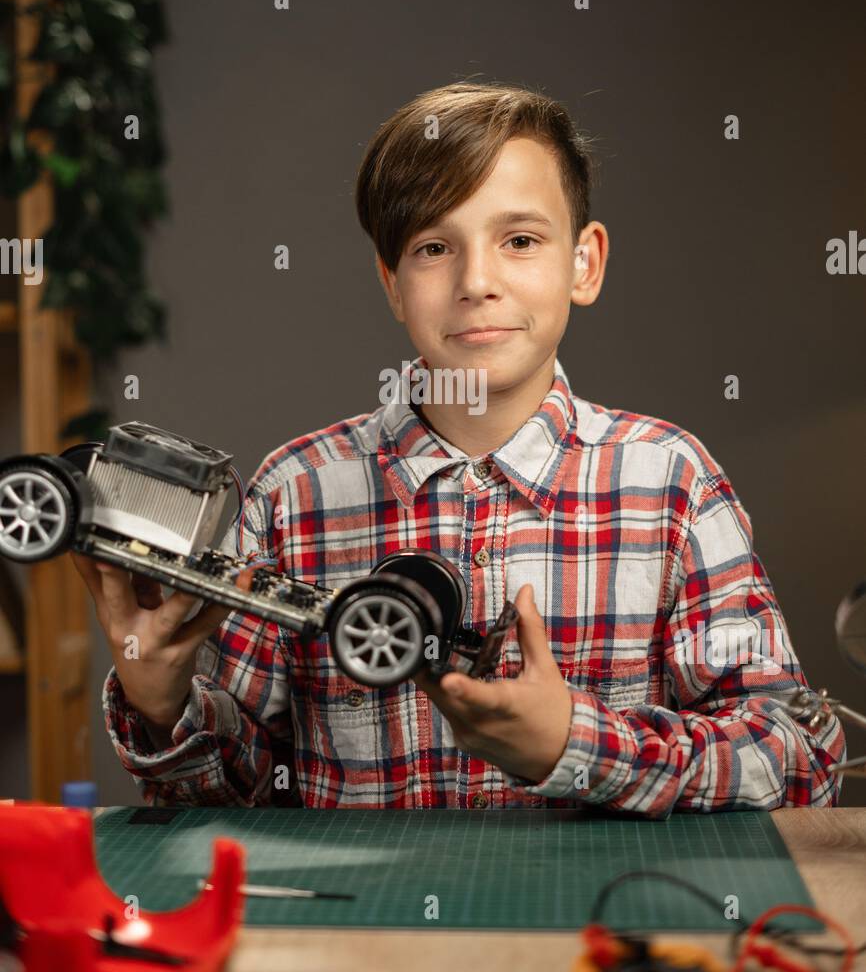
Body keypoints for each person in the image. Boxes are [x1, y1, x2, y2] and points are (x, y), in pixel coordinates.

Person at [74, 80, 847, 811]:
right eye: (434, 248)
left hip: (595, 931)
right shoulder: (295, 493)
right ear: (391, 281)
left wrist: (577, 745)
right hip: (363, 933)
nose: (477, 281)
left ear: (585, 263)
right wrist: (161, 697)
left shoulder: (670, 482)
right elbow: (232, 795)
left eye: (519, 239)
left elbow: (798, 760)